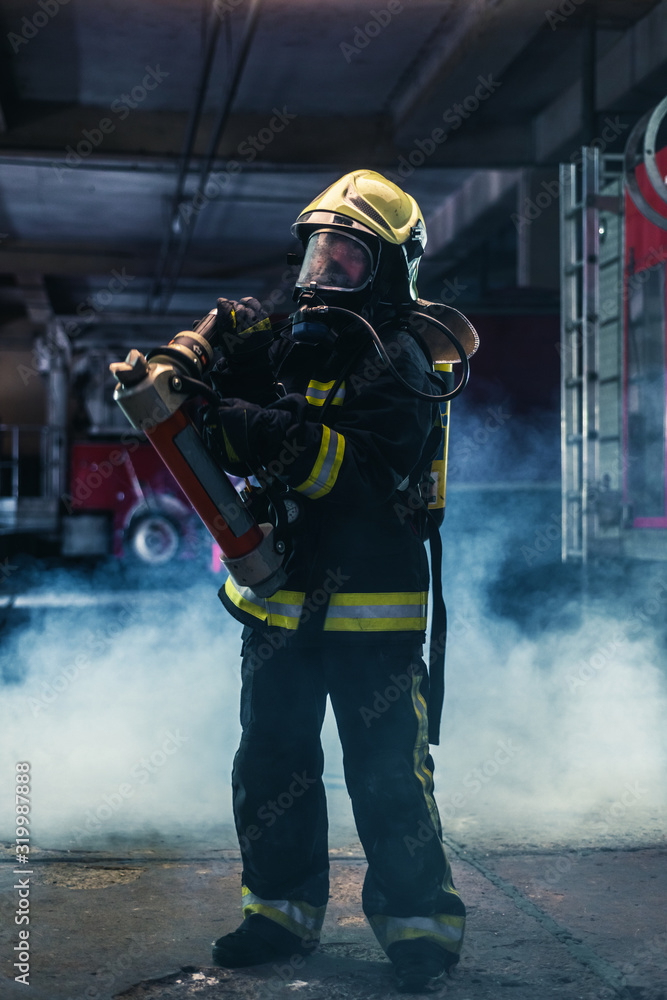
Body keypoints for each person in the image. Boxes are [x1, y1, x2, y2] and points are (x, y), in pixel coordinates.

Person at [203, 169, 466, 993]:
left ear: (389, 270)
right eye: (319, 253)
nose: (325, 273)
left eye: (348, 259)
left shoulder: (410, 360)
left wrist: (242, 426)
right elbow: (213, 420)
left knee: (388, 774)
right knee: (270, 767)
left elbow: (350, 469)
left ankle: (419, 925)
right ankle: (277, 911)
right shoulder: (287, 340)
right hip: (277, 607)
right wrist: (207, 370)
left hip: (370, 616)